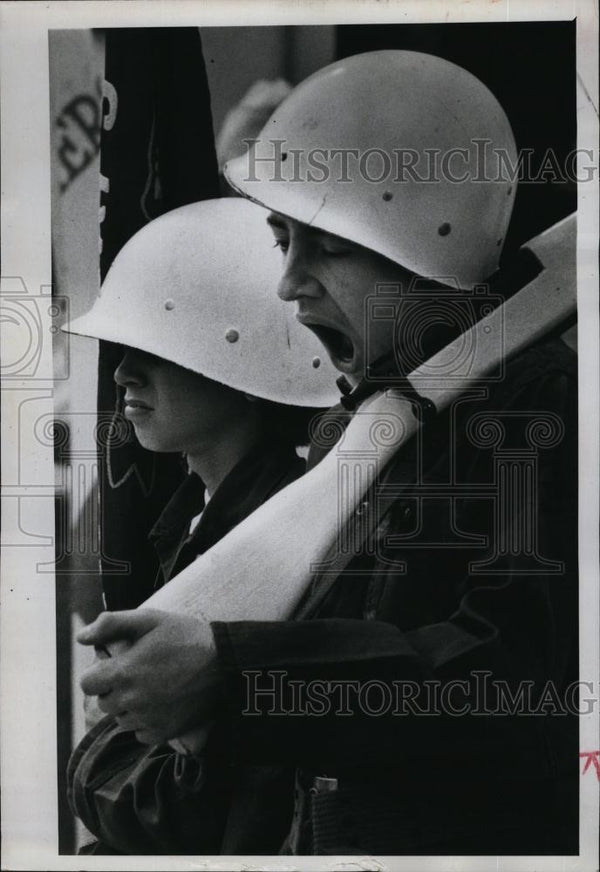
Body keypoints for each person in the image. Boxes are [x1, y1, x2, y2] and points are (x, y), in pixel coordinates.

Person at [75, 51, 578, 855]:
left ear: (427, 239)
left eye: (328, 247)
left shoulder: (536, 407)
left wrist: (231, 677)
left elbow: (515, 690)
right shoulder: (371, 423)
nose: (289, 285)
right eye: (283, 240)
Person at [64, 196, 339, 853]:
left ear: (244, 368)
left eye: (161, 351)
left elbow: (185, 808)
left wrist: (95, 764)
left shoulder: (279, 536)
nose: (125, 372)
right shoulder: (189, 517)